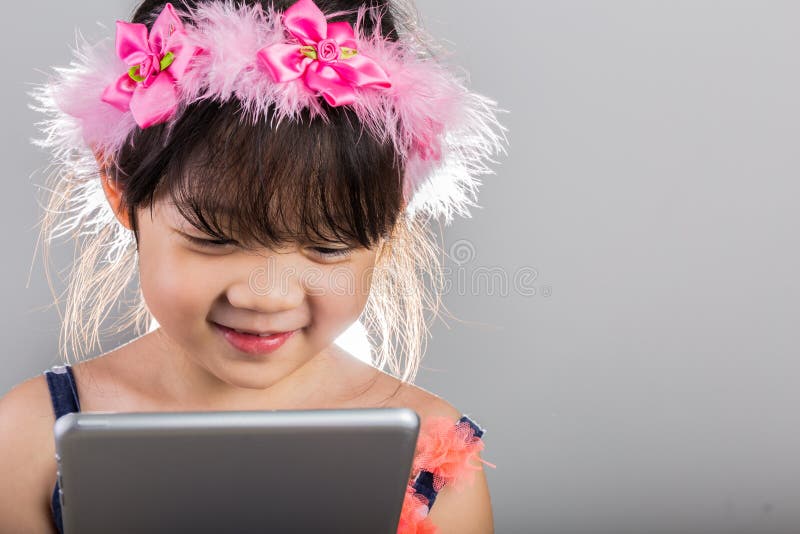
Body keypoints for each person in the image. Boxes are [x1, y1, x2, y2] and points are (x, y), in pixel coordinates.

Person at [0, 0, 506, 531]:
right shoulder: (29, 439)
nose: (266, 296)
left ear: (389, 218)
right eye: (215, 238)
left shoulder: (432, 458)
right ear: (121, 191)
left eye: (327, 246)